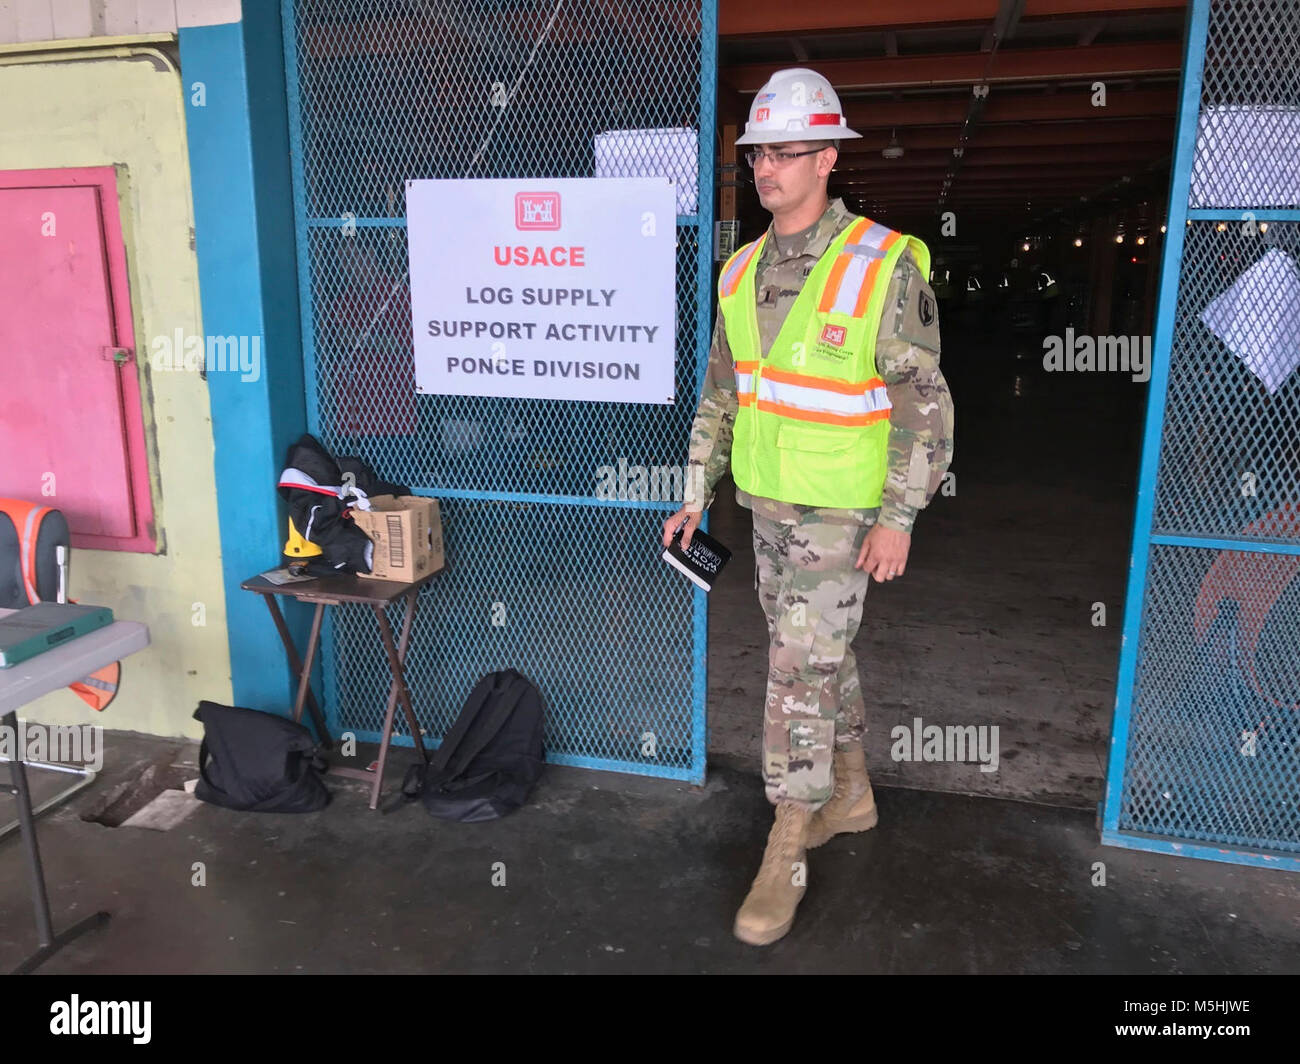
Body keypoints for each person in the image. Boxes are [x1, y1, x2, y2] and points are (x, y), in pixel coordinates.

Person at [662, 67, 955, 946]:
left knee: (795, 669)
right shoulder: (740, 269)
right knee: (818, 656)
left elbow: (925, 405)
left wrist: (900, 516)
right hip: (766, 505)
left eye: (785, 152)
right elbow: (722, 393)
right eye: (757, 152)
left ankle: (790, 834)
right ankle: (854, 795)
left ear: (828, 158)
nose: (765, 168)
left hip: (843, 513)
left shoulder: (882, 262)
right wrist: (693, 494)